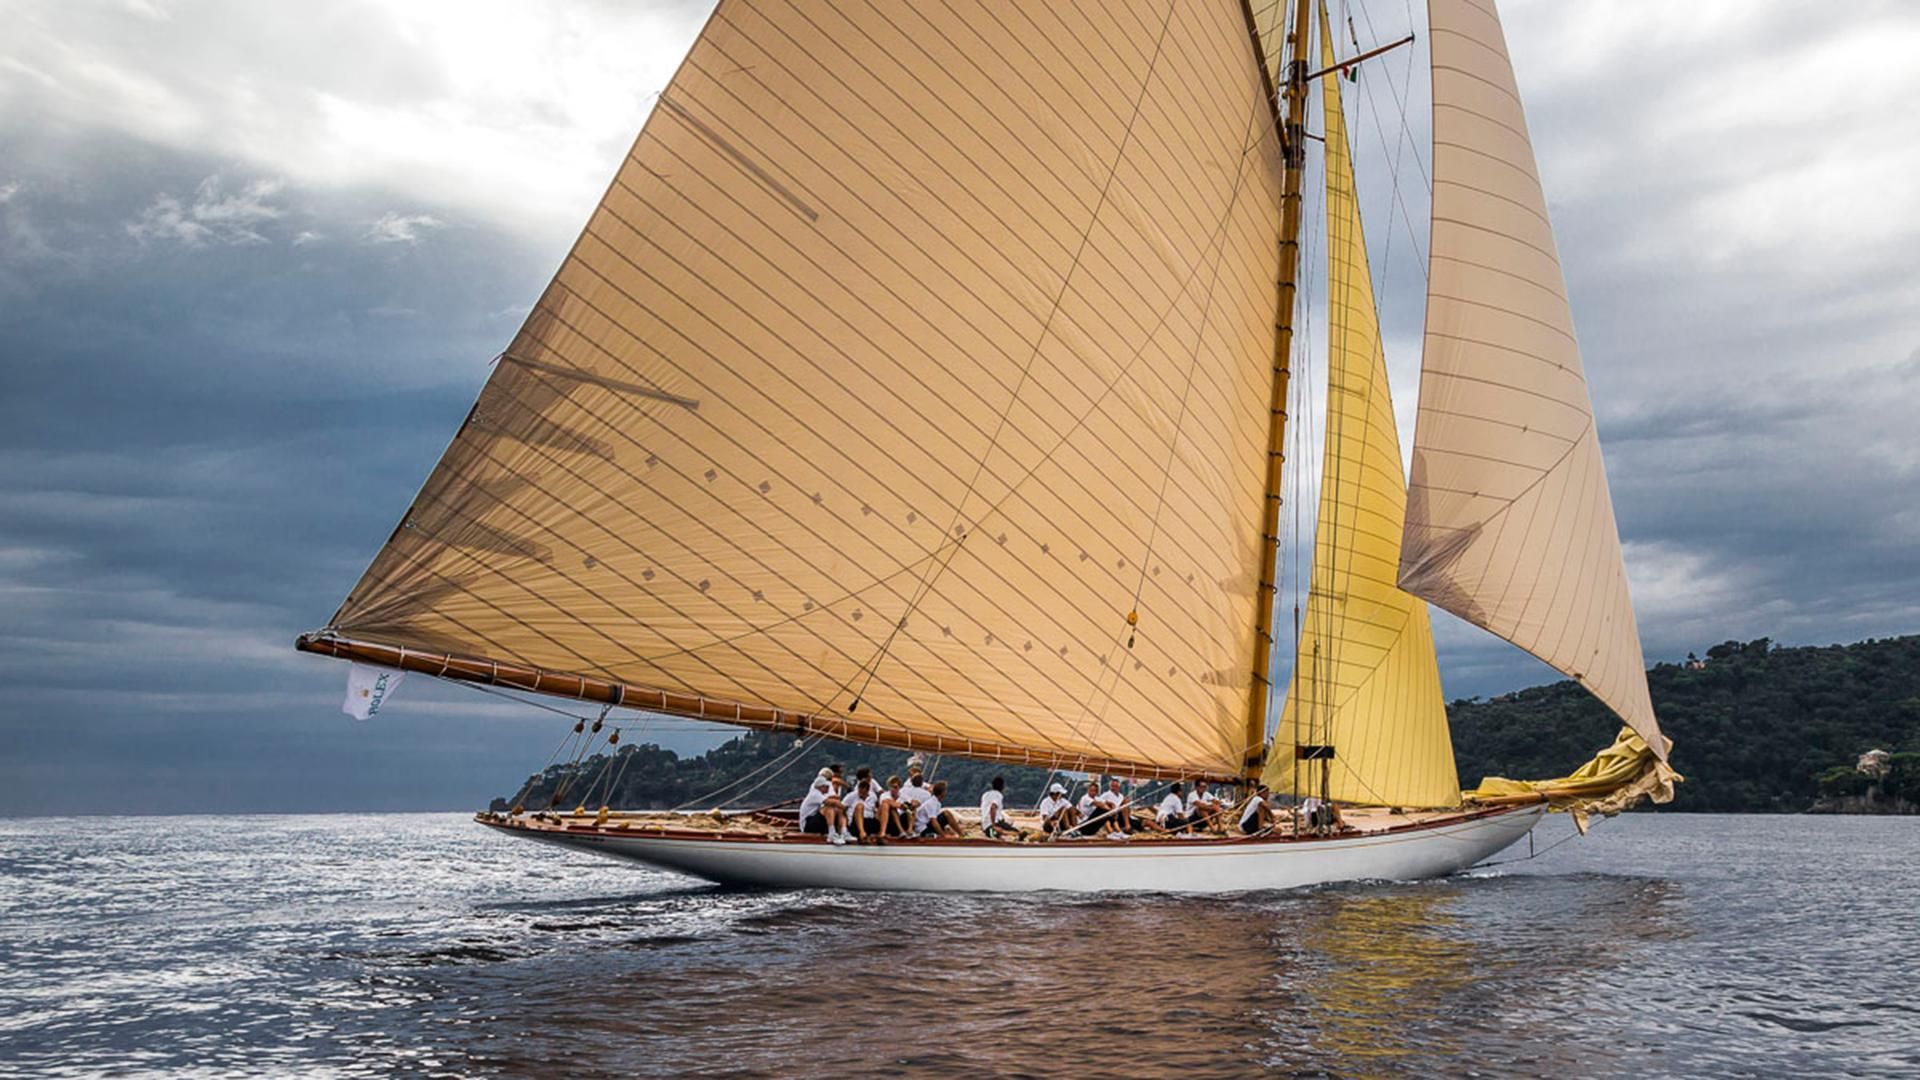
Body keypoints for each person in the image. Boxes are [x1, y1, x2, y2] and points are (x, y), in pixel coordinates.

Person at [797, 775, 848, 844]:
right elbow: (831, 802)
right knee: (829, 807)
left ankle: (843, 832)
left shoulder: (819, 793)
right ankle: (832, 833)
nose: (828, 788)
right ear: (821, 787)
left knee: (838, 809)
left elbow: (833, 800)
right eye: (826, 787)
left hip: (814, 821)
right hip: (807, 824)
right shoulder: (815, 794)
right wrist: (846, 808)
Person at [845, 777, 882, 844]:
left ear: (867, 791)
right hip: (856, 823)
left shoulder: (873, 796)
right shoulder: (851, 796)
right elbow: (842, 807)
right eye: (860, 791)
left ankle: (880, 833)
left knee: (883, 807)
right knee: (860, 806)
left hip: (869, 820)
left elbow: (876, 807)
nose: (861, 794)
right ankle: (862, 833)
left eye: (863, 792)